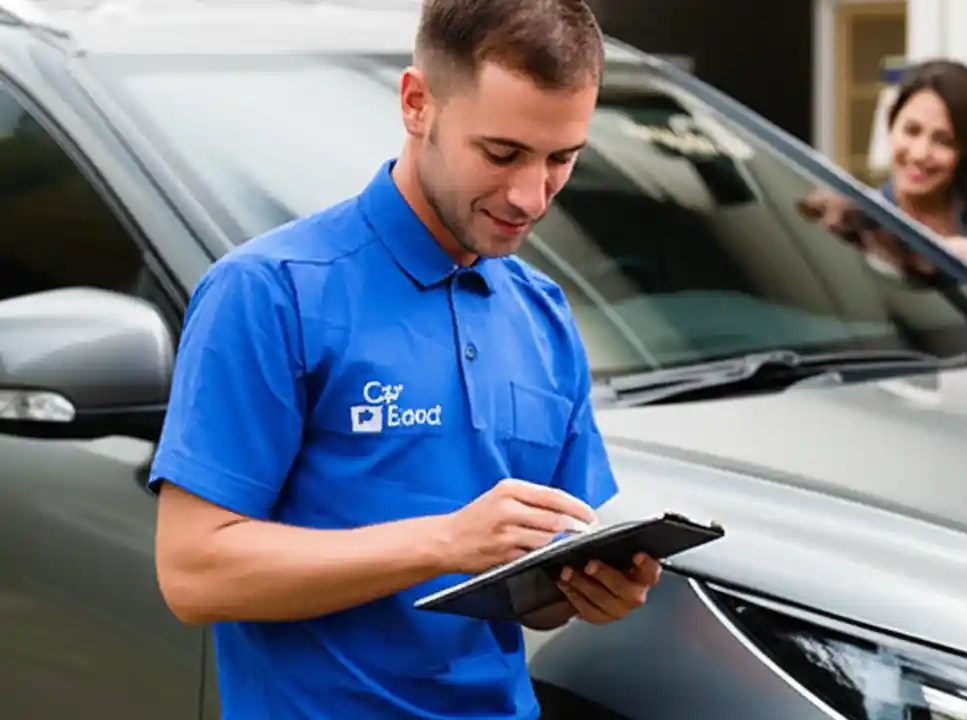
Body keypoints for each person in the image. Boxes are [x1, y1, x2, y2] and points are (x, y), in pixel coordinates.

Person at [147, 1, 662, 717]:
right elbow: (194, 574)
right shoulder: (271, 293)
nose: (530, 195)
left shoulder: (541, 313)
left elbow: (532, 596)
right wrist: (446, 542)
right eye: (503, 153)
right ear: (418, 104)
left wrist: (581, 591)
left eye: (562, 159)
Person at [800, 59, 967, 285]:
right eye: (911, 131)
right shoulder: (857, 226)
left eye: (944, 141)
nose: (920, 154)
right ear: (891, 127)